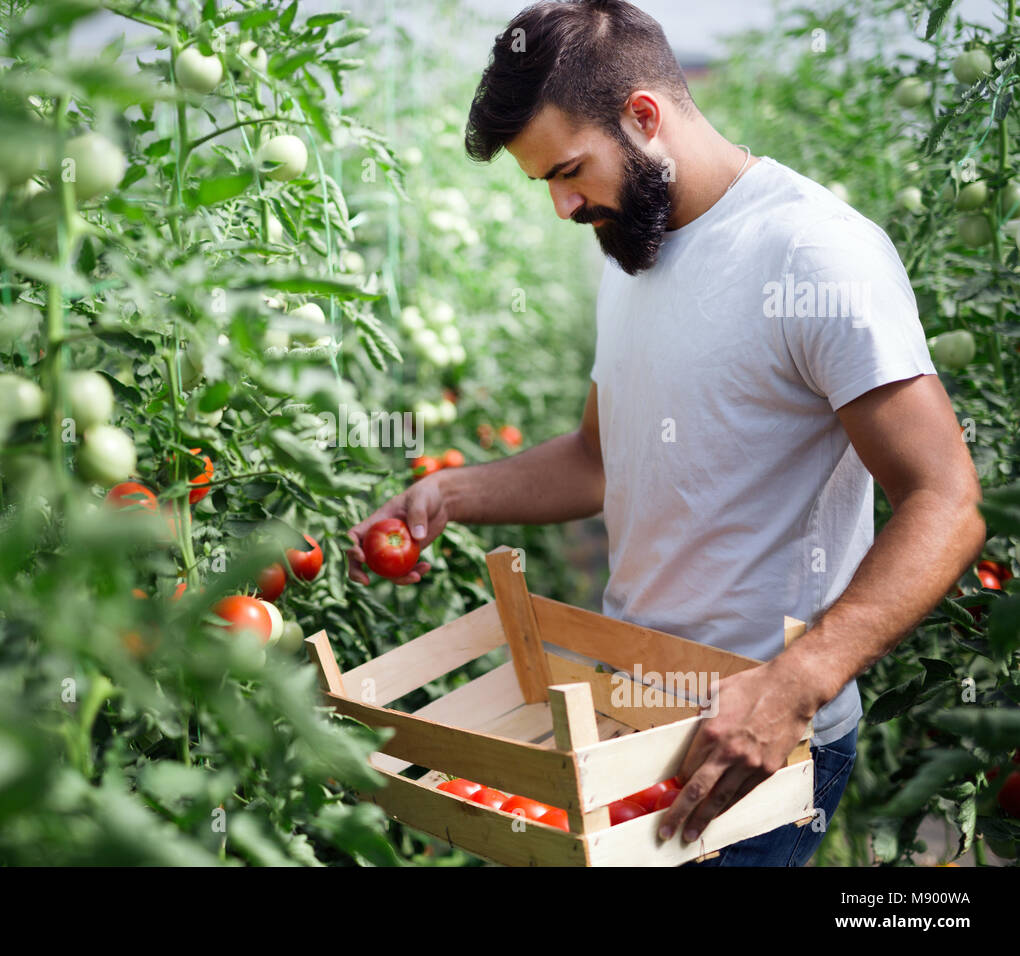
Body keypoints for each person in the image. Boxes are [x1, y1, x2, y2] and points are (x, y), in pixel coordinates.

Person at [343, 0, 984, 866]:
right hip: (627, 713)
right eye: (547, 185)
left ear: (644, 117)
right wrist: (450, 494)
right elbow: (597, 461)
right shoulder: (634, 246)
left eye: (571, 170)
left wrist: (795, 684)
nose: (565, 206)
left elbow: (946, 501)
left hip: (748, 748)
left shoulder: (814, 253)